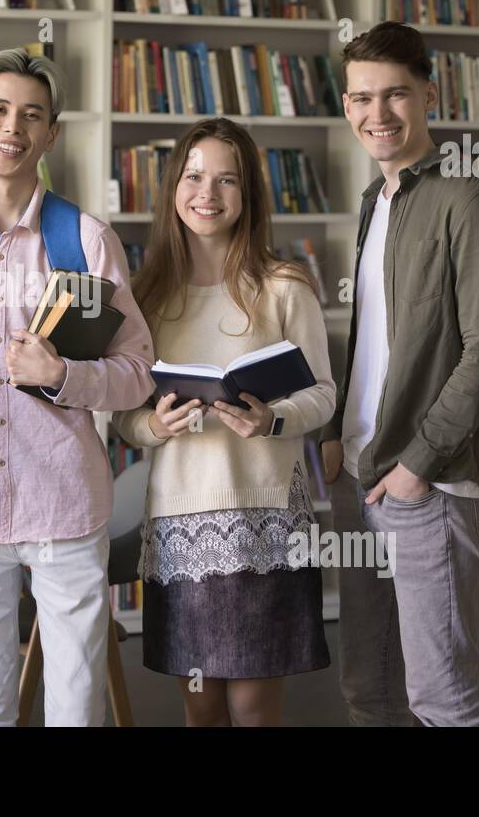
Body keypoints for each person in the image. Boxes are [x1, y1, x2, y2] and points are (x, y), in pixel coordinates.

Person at [0, 47, 155, 726]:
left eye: (31, 114)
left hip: (65, 502)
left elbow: (137, 375)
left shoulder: (87, 238)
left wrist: (63, 375)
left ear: (51, 134)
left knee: (74, 705)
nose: (12, 126)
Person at [320, 20, 479, 727]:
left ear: (429, 94)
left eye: (396, 95)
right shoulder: (377, 202)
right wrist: (337, 430)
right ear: (346, 106)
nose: (378, 114)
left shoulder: (468, 199)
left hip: (428, 482)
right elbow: (372, 339)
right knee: (369, 687)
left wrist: (417, 462)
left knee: (445, 697)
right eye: (362, 98)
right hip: (360, 473)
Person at [112, 117, 335, 726]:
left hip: (264, 516)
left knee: (253, 707)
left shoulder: (285, 286)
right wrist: (154, 426)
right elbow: (123, 416)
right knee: (202, 707)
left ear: (249, 195)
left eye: (227, 180)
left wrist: (272, 418)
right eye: (194, 176)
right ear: (173, 187)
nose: (207, 193)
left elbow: (323, 395)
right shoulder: (143, 296)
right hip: (181, 522)